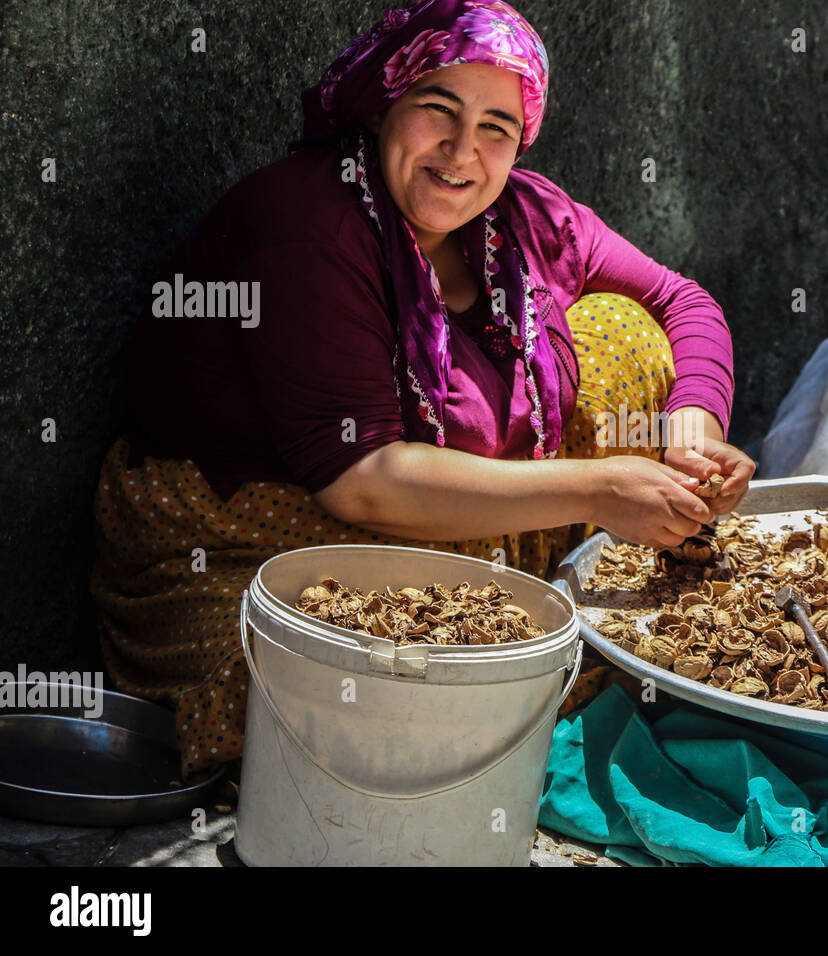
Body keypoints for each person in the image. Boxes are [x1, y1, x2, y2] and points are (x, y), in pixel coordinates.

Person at [90, 0, 752, 780]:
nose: (462, 151)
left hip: (455, 503)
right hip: (266, 525)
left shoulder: (527, 215)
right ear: (381, 108)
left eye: (496, 129)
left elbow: (682, 300)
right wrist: (600, 490)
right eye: (437, 110)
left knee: (624, 331)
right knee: (364, 703)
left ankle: (525, 566)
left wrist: (692, 431)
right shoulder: (310, 223)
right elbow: (362, 482)